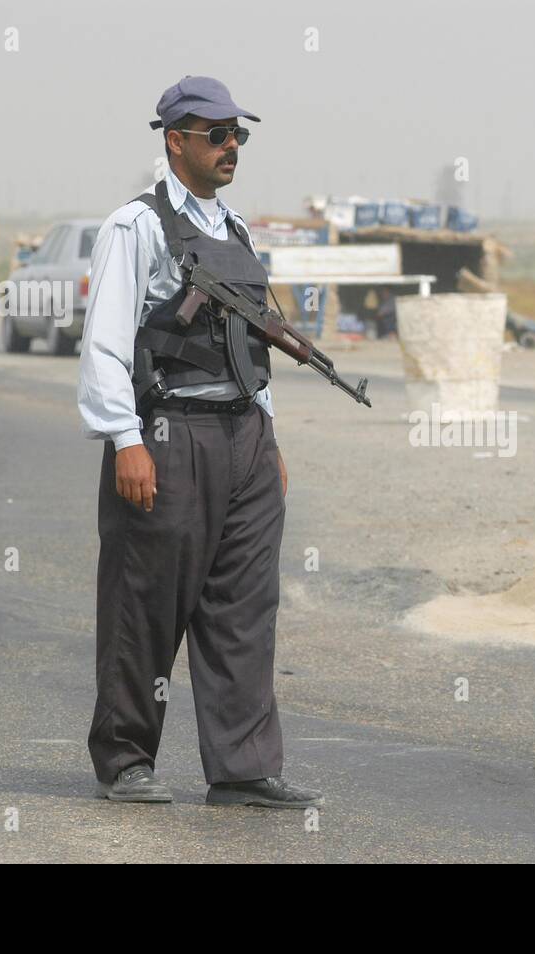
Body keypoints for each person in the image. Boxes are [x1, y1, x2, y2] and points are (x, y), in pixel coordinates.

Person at [78, 75, 321, 809]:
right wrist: (126, 439)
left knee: (245, 607)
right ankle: (125, 760)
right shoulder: (136, 226)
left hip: (244, 435)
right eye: (216, 135)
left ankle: (244, 768)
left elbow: (251, 345)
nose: (231, 147)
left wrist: (268, 437)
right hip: (167, 431)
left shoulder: (236, 230)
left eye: (237, 134)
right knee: (145, 601)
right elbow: (106, 345)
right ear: (174, 140)